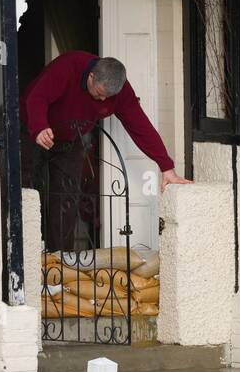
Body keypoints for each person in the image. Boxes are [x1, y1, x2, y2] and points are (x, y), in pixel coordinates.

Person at [19, 52, 190, 252]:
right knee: (25, 191)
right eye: (99, 93)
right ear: (91, 76)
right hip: (31, 127)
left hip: (70, 138)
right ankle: (23, 258)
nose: (102, 100)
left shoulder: (120, 91)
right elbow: (37, 97)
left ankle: (59, 263)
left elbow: (140, 126)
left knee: (66, 201)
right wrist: (39, 126)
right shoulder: (69, 66)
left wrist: (166, 166)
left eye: (108, 97)